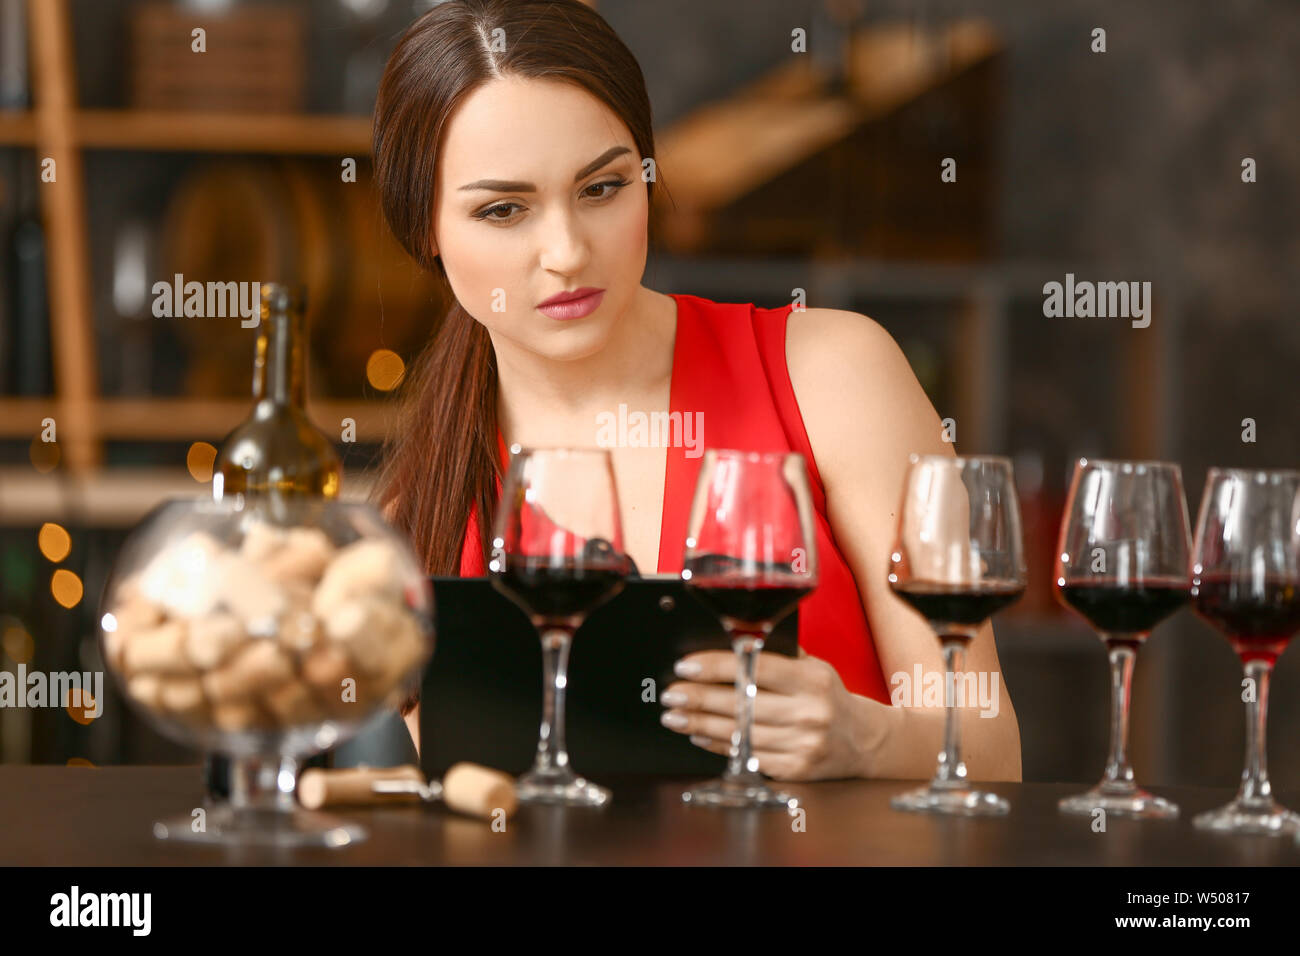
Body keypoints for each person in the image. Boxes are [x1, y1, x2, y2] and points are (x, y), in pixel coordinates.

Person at [371, 0, 1021, 782]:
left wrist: (866, 739)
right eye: (504, 209)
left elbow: (992, 758)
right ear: (424, 232)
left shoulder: (834, 373)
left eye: (602, 188)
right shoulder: (419, 518)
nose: (567, 252)